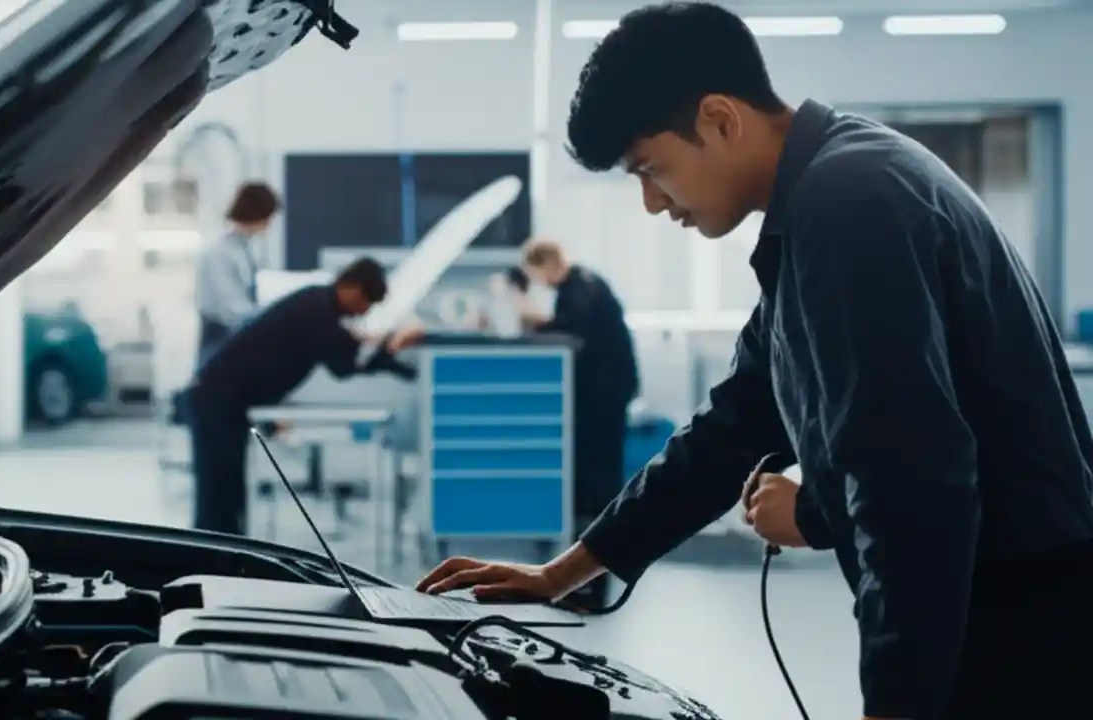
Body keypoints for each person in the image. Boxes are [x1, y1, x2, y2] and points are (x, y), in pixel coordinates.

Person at [415, 4, 1093, 719]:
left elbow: (915, 483)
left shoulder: (850, 202)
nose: (650, 203)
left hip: (1015, 617)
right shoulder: (822, 199)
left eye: (651, 169)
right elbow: (733, 427)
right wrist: (565, 571)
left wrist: (820, 518)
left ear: (718, 119)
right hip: (989, 598)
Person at [188, 258, 419, 535]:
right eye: (365, 303)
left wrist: (377, 350)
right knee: (218, 491)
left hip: (225, 399)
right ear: (354, 289)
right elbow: (342, 366)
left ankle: (224, 555)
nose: (362, 312)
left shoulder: (317, 305)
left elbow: (342, 350)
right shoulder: (318, 310)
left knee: (227, 490)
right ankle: (212, 560)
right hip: (216, 397)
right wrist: (394, 360)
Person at [518, 238, 640, 608]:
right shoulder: (582, 285)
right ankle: (587, 576)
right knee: (594, 481)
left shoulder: (581, 287)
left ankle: (592, 582)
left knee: (597, 483)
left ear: (545, 263)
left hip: (603, 398)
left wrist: (535, 324)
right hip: (603, 395)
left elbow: (573, 334)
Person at [194, 181, 280, 367]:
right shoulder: (220, 251)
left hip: (234, 331)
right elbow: (231, 308)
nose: (270, 224)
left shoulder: (244, 247)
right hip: (221, 333)